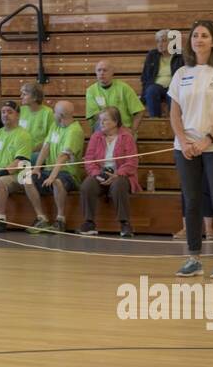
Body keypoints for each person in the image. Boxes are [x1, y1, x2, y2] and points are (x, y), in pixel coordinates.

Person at [169, 20, 213, 278]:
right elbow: (174, 113)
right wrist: (184, 141)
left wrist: (207, 140)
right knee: (191, 201)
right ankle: (193, 258)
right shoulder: (181, 73)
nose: (199, 39)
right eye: (195, 35)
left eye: (204, 36)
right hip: (185, 148)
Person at [22, 100, 84, 234]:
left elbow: (63, 156)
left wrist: (52, 176)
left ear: (60, 115)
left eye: (55, 112)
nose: (53, 114)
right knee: (26, 178)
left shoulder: (74, 130)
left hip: (68, 173)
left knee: (57, 182)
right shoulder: (55, 126)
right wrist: (37, 168)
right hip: (51, 170)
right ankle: (41, 218)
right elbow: (45, 148)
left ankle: (60, 219)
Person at [79, 108, 141, 237]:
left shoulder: (127, 137)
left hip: (121, 175)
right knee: (87, 185)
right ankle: (89, 222)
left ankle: (125, 223)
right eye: (100, 120)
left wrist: (117, 174)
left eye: (105, 120)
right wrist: (96, 174)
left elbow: (132, 162)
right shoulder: (96, 136)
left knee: (118, 185)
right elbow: (89, 159)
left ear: (115, 121)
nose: (100, 123)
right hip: (100, 174)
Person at [0, 100, 33, 232]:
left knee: (0, 182)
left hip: (16, 175)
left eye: (9, 112)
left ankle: (1, 219)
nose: (5, 115)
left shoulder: (23, 135)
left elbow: (20, 162)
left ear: (17, 115)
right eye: (3, 112)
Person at [86, 61, 145, 136]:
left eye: (105, 70)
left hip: (124, 130)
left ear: (112, 72)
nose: (101, 73)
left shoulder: (124, 88)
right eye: (99, 70)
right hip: (102, 129)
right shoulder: (91, 91)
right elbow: (96, 115)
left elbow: (139, 111)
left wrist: (132, 131)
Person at [140, 29, 184, 118]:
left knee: (173, 94)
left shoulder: (180, 55)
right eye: (158, 41)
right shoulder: (152, 55)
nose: (160, 44)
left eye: (164, 41)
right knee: (151, 90)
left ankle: (175, 121)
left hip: (174, 87)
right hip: (156, 87)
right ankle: (155, 121)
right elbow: (145, 77)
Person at [18, 81, 54, 156]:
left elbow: (50, 138)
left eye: (24, 94)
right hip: (21, 150)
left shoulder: (48, 113)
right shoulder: (21, 110)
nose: (21, 97)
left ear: (34, 97)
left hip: (39, 152)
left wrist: (33, 150)